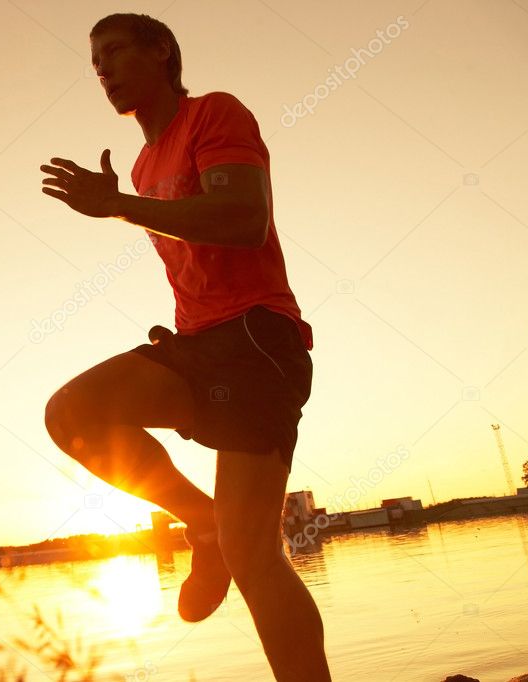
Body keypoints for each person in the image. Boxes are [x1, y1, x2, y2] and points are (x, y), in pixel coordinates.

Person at [39, 12, 331, 681]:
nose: (103, 70)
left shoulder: (214, 114)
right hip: (197, 343)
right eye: (94, 62)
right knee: (72, 413)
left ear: (161, 52)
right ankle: (201, 524)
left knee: (255, 557)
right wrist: (125, 199)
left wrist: (120, 205)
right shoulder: (144, 163)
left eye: (115, 52)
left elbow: (243, 218)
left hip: (256, 341)